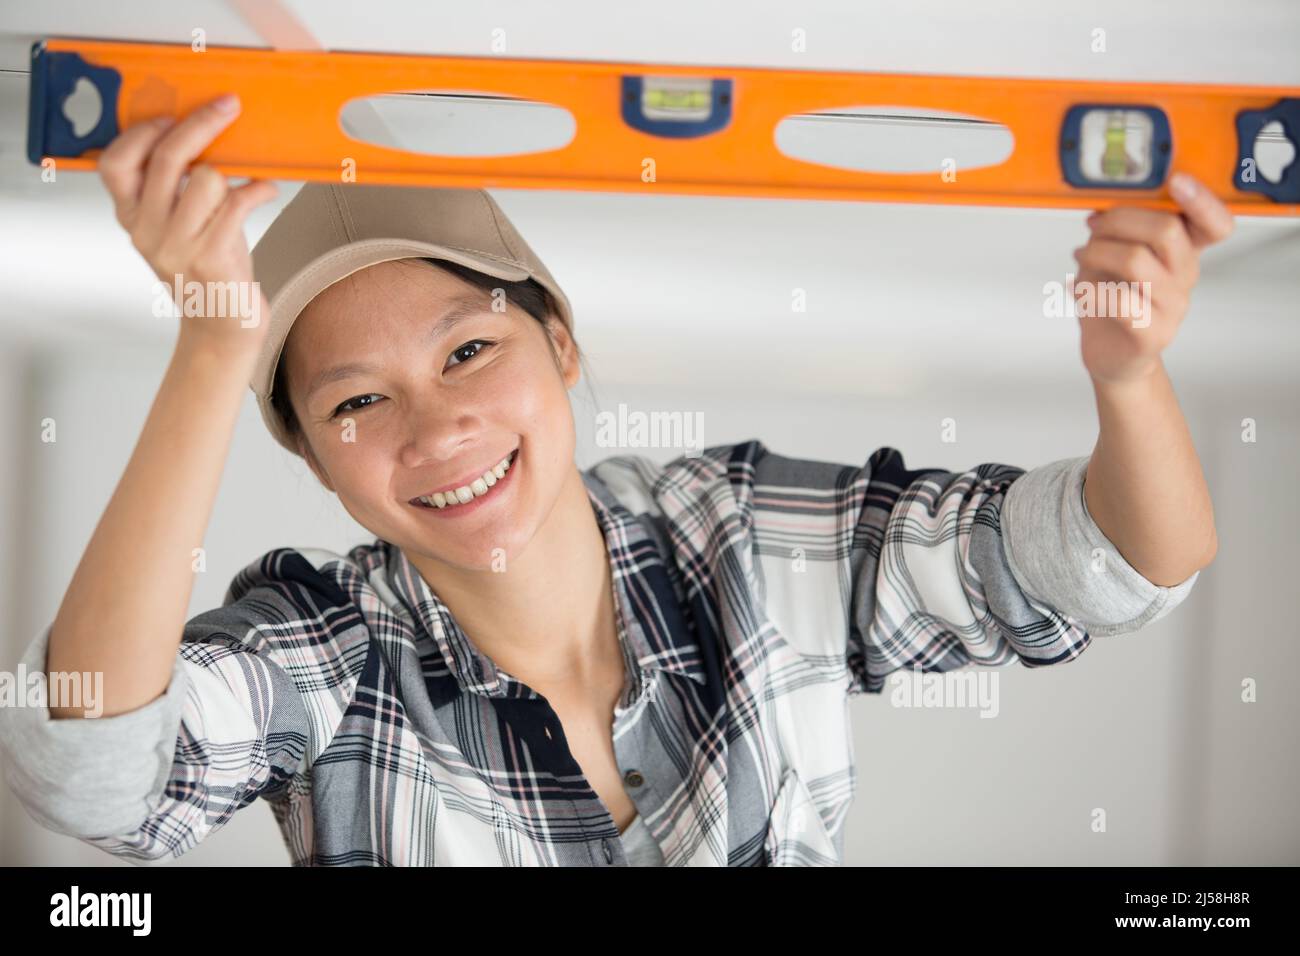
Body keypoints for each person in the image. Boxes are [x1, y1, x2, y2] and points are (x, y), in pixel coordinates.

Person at [0, 93, 1227, 866]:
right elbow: (91, 777)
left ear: (563, 345)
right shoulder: (327, 659)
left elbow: (1121, 563)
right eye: (356, 401)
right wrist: (216, 339)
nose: (437, 427)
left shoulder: (746, 537)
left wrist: (1127, 374)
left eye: (470, 348)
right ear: (314, 459)